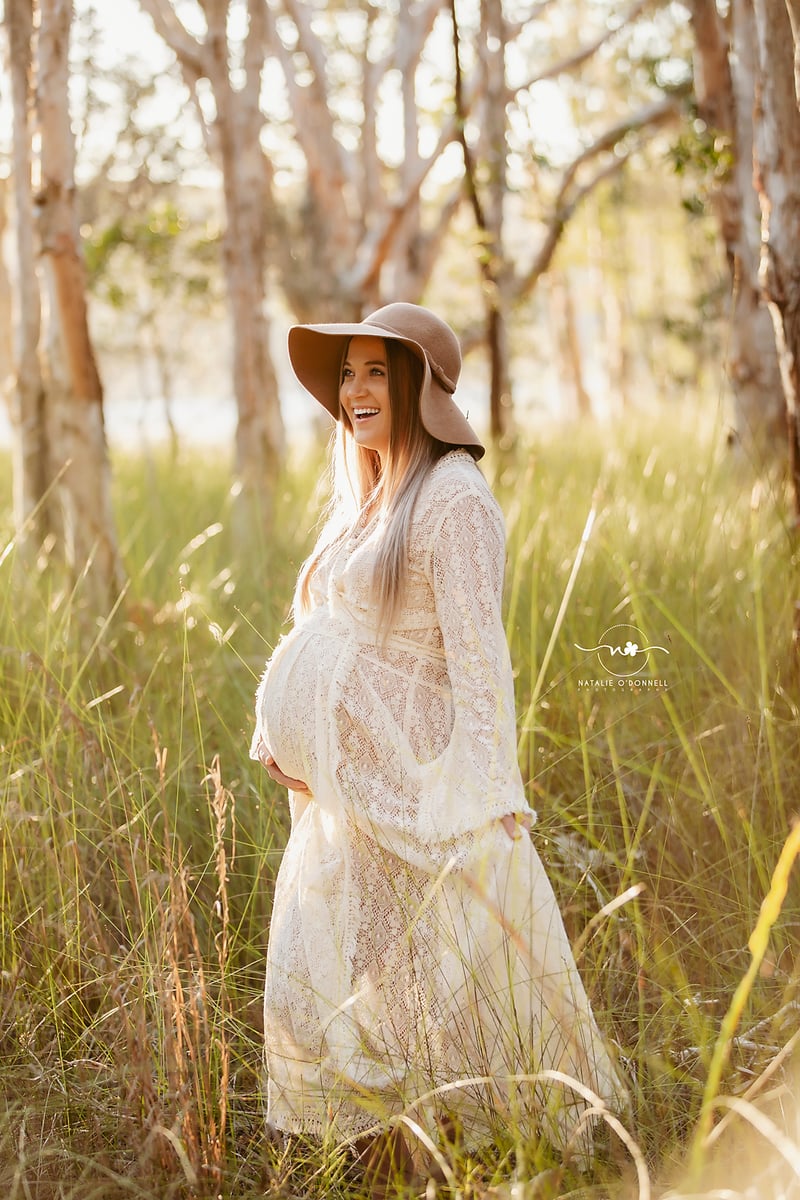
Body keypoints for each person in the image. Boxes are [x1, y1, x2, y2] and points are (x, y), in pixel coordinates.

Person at [250, 303, 627, 1193]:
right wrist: (283, 735)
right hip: (353, 798)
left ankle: (473, 1162)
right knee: (354, 977)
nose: (355, 390)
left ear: (419, 386)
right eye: (348, 373)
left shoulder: (455, 499)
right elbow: (336, 634)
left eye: (377, 371)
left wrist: (488, 800)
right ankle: (384, 1157)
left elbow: (479, 663)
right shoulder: (373, 492)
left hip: (418, 795)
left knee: (446, 990)